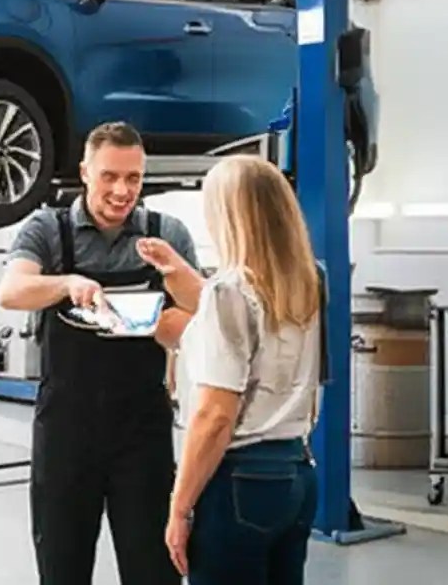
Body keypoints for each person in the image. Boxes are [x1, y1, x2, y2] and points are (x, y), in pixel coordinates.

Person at [0, 121, 198, 584]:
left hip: (142, 434)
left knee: (154, 569)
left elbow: (204, 317)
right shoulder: (48, 230)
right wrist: (67, 283)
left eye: (133, 178)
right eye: (110, 176)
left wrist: (158, 321)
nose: (122, 190)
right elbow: (12, 290)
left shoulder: (165, 234)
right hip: (67, 433)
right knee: (62, 568)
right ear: (86, 172)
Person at [134, 154, 324, 585]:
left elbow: (216, 415)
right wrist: (178, 274)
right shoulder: (309, 282)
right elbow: (251, 325)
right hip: (295, 473)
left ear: (231, 216)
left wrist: (179, 507)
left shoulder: (227, 290)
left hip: (238, 480)